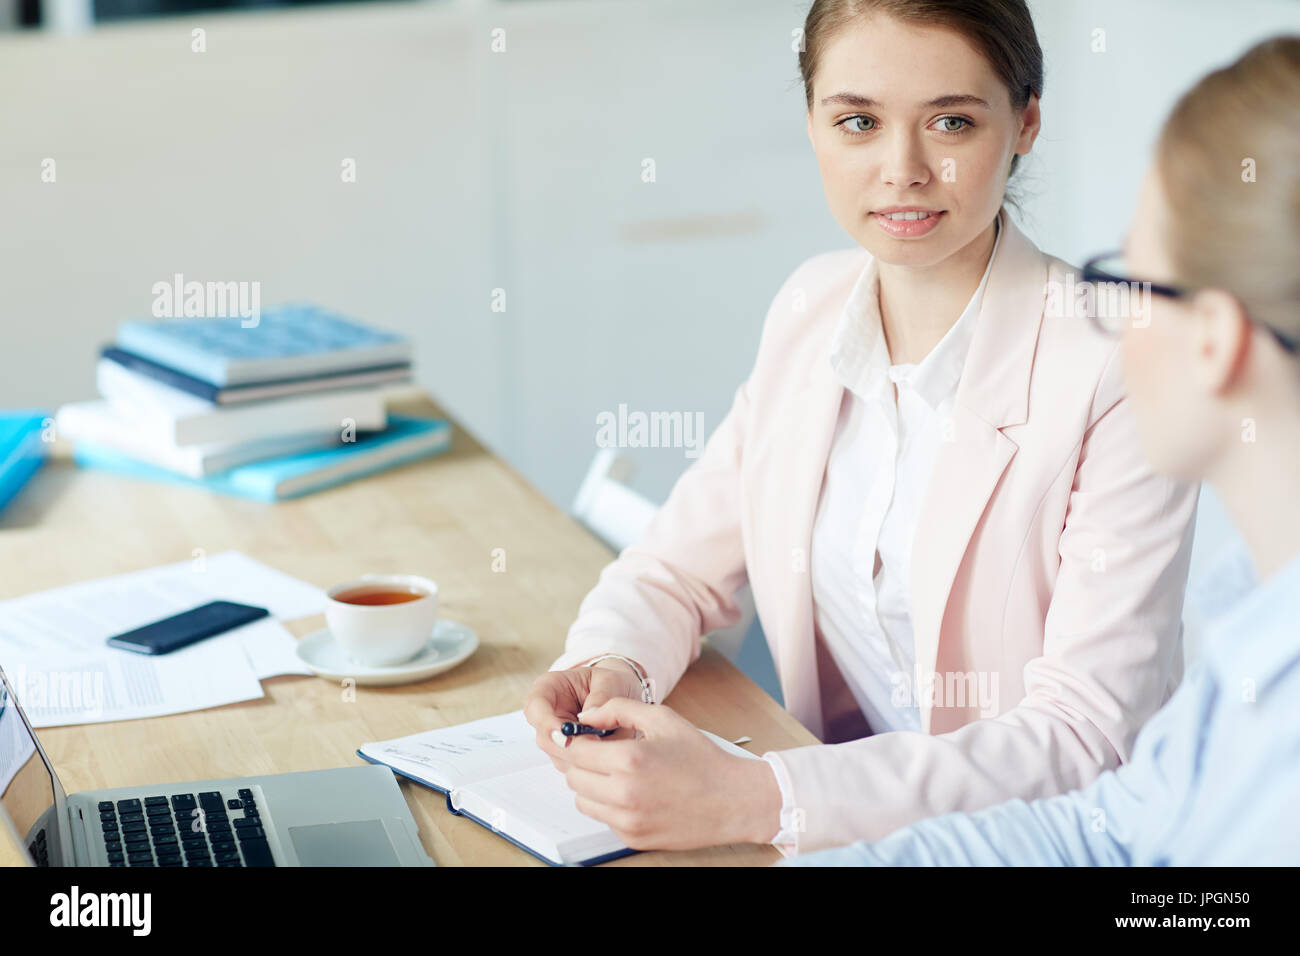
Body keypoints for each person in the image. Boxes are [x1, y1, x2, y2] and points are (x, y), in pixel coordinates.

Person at [523, 0, 1200, 856]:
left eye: (951, 121)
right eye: (859, 122)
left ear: (1026, 121)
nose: (902, 169)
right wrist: (610, 667)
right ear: (813, 123)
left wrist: (763, 798)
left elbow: (1083, 739)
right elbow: (674, 571)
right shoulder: (810, 307)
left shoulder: (1119, 361)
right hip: (849, 836)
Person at [787, 34, 1300, 866]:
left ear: (1215, 339)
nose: (1109, 317)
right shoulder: (1249, 627)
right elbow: (1102, 834)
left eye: (1130, 278)